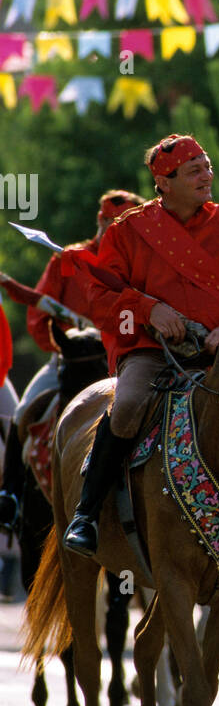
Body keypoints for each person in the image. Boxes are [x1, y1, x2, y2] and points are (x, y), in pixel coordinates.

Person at [62, 135, 219, 559]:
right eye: (195, 170)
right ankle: (87, 513)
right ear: (164, 181)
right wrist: (148, 309)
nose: (207, 176)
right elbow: (99, 299)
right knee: (127, 405)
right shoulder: (128, 231)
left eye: (207, 167)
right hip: (151, 350)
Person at [0, 189, 144, 529]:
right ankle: (10, 497)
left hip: (124, 362)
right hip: (71, 360)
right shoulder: (68, 259)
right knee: (23, 412)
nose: (119, 232)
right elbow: (39, 319)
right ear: (101, 220)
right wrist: (67, 345)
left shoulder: (138, 266)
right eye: (114, 224)